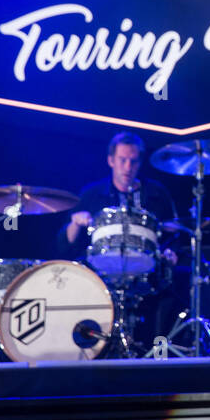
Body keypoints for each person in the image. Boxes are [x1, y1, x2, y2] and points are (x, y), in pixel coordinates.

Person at [55, 133, 180, 343]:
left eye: (133, 161)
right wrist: (75, 223)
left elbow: (175, 232)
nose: (127, 167)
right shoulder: (91, 194)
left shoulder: (157, 193)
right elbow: (63, 246)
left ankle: (158, 356)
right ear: (111, 160)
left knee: (173, 291)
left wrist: (172, 251)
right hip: (100, 275)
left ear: (139, 163)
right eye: (122, 160)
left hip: (148, 275)